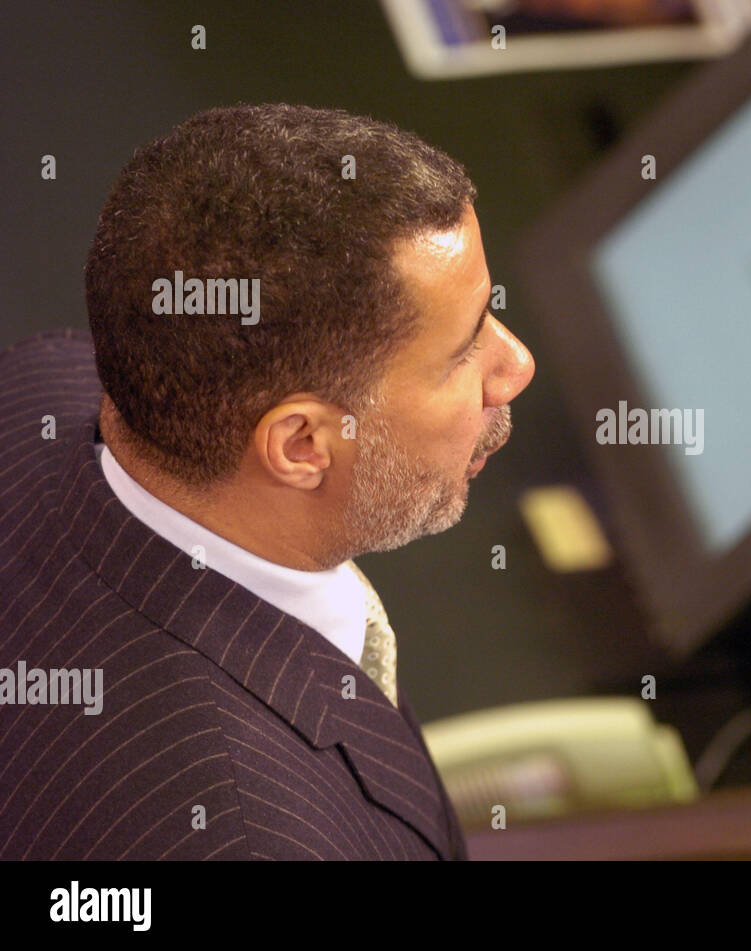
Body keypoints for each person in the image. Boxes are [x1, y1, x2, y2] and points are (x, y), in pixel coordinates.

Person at [0, 103, 535, 860]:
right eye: (463, 349)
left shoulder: (40, 380)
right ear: (302, 443)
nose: (515, 365)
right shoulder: (250, 836)